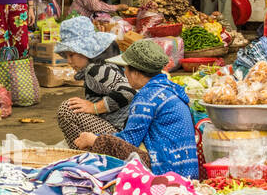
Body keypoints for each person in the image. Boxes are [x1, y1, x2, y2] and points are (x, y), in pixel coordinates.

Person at [73, 39, 198, 178]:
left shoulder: (146, 97)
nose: (124, 73)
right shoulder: (171, 89)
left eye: (125, 68)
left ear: (136, 72)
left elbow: (128, 141)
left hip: (166, 173)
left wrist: (94, 140)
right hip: (187, 172)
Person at [54, 17, 136, 148]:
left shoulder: (96, 70)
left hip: (122, 134)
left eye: (71, 55)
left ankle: (82, 155)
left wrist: (94, 108)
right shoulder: (96, 67)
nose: (69, 61)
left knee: (67, 110)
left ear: (84, 51)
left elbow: (128, 92)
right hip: (117, 129)